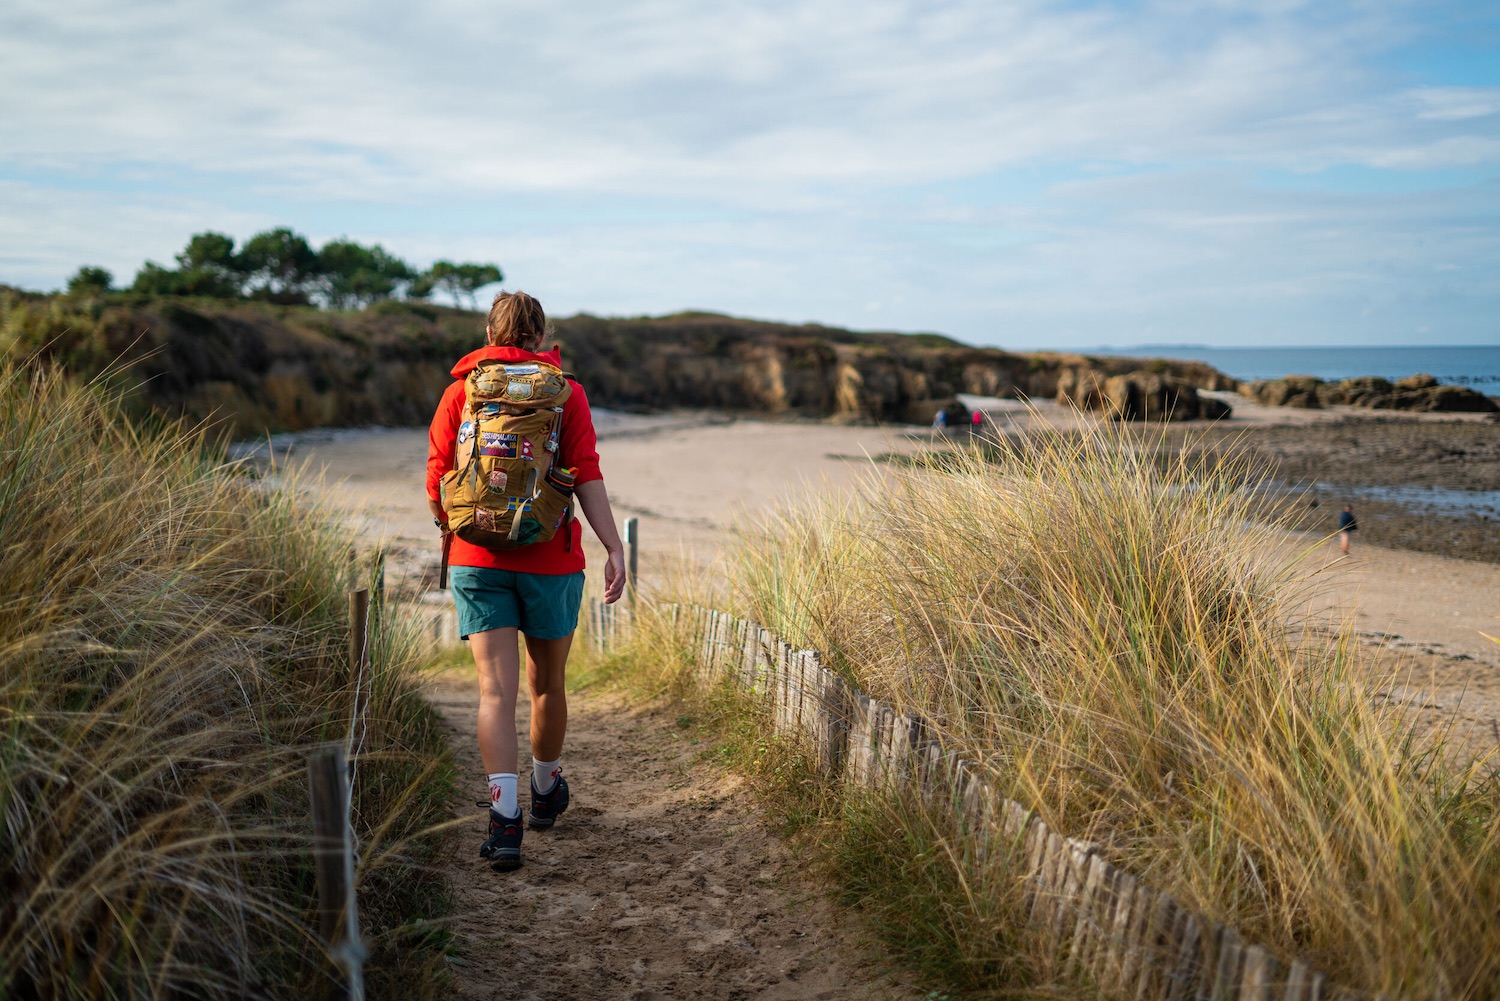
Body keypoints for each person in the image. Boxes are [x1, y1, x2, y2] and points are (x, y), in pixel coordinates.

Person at [427, 291, 627, 871]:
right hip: (551, 561)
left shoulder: (462, 391)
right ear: (540, 337)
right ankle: (544, 790)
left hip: (477, 559)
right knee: (546, 687)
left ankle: (504, 821)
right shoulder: (566, 394)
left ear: (490, 334)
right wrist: (613, 546)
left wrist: (455, 529)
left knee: (495, 693)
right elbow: (586, 474)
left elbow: (437, 477)